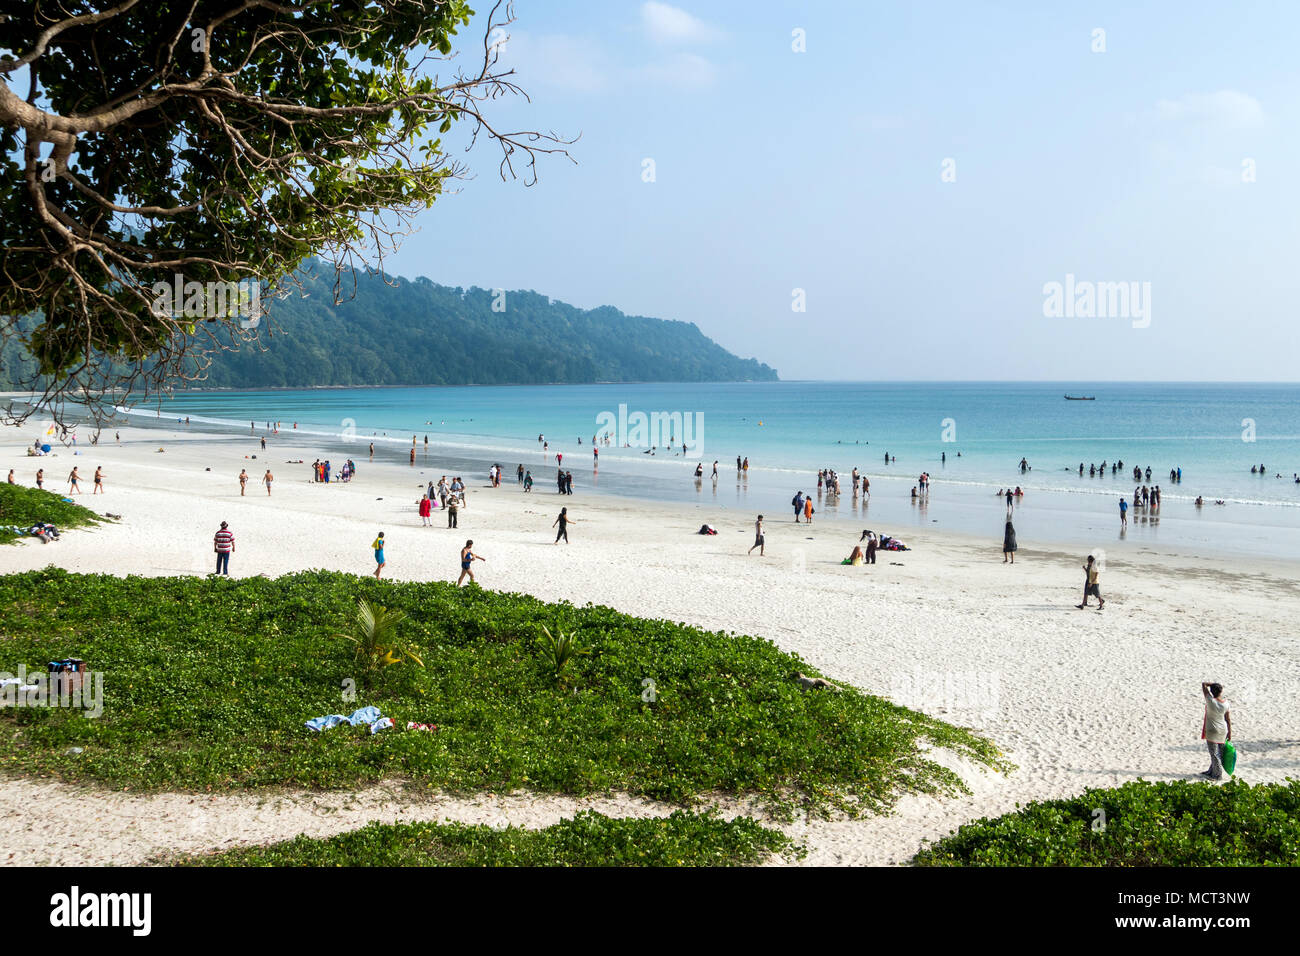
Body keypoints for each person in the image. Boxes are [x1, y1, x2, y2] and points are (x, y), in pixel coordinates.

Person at [1200, 681, 1232, 780]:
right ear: (1221, 691)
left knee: (1214, 753)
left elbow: (1203, 684)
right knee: (1219, 753)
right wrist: (1230, 732)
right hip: (1223, 730)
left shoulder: (1210, 701)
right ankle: (1211, 771)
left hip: (1212, 730)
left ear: (1212, 692)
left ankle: (1217, 775)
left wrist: (1211, 684)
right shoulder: (1226, 703)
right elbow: (1228, 719)